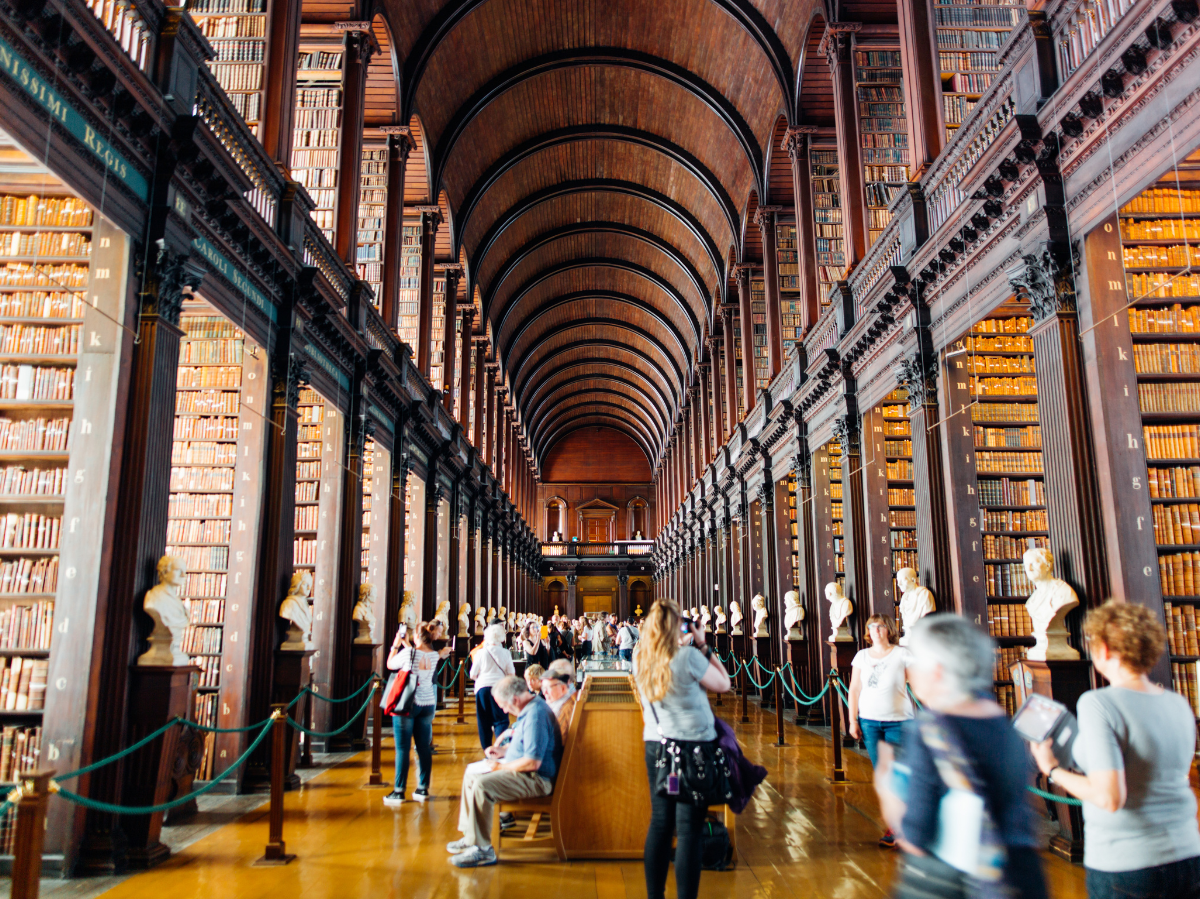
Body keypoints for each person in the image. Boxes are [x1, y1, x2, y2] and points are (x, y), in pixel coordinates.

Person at [1030, 601, 1200, 899]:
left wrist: (1052, 769)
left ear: (1104, 649)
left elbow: (1109, 797)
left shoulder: (1099, 704)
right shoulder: (1178, 703)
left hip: (1129, 864)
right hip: (1188, 855)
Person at [874, 614, 1047, 899]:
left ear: (938, 671)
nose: (911, 672)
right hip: (1018, 875)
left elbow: (916, 835)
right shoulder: (1003, 723)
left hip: (955, 882)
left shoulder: (930, 729)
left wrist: (885, 788)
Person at [633, 599, 731, 899]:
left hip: (657, 746)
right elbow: (724, 683)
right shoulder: (688, 657)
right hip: (693, 749)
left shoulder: (640, 658)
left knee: (660, 823)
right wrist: (703, 645)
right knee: (688, 829)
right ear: (678, 625)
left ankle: (655, 896)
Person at [446, 675, 562, 868]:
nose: (503, 710)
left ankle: (483, 850)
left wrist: (501, 766)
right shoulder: (529, 708)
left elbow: (532, 762)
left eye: (503, 705)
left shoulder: (536, 716)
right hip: (523, 770)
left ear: (515, 699)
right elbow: (525, 746)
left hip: (537, 778)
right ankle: (470, 836)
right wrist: (502, 751)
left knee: (483, 785)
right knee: (471, 775)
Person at [847, 614, 913, 848]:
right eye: (871, 626)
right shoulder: (861, 656)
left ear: (889, 629)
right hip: (870, 722)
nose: (875, 630)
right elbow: (854, 689)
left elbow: (916, 685)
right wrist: (852, 720)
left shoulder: (903, 654)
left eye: (880, 626)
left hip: (899, 721)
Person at [383, 621, 449, 807]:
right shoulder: (435, 656)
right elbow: (419, 654)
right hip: (428, 703)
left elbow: (390, 664)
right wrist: (406, 644)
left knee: (403, 748)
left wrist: (396, 643)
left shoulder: (408, 653)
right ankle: (422, 787)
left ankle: (399, 790)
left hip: (408, 705)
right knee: (423, 748)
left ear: (416, 637)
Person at [470, 623, 515, 750]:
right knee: (501, 719)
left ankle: (487, 750)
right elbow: (511, 673)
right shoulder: (505, 653)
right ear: (501, 637)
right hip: (500, 688)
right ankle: (500, 748)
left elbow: (472, 674)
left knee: (483, 721)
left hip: (482, 689)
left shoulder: (480, 653)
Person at [541, 660, 578, 727]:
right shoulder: (558, 701)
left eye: (549, 687)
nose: (544, 692)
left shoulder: (566, 708)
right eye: (543, 688)